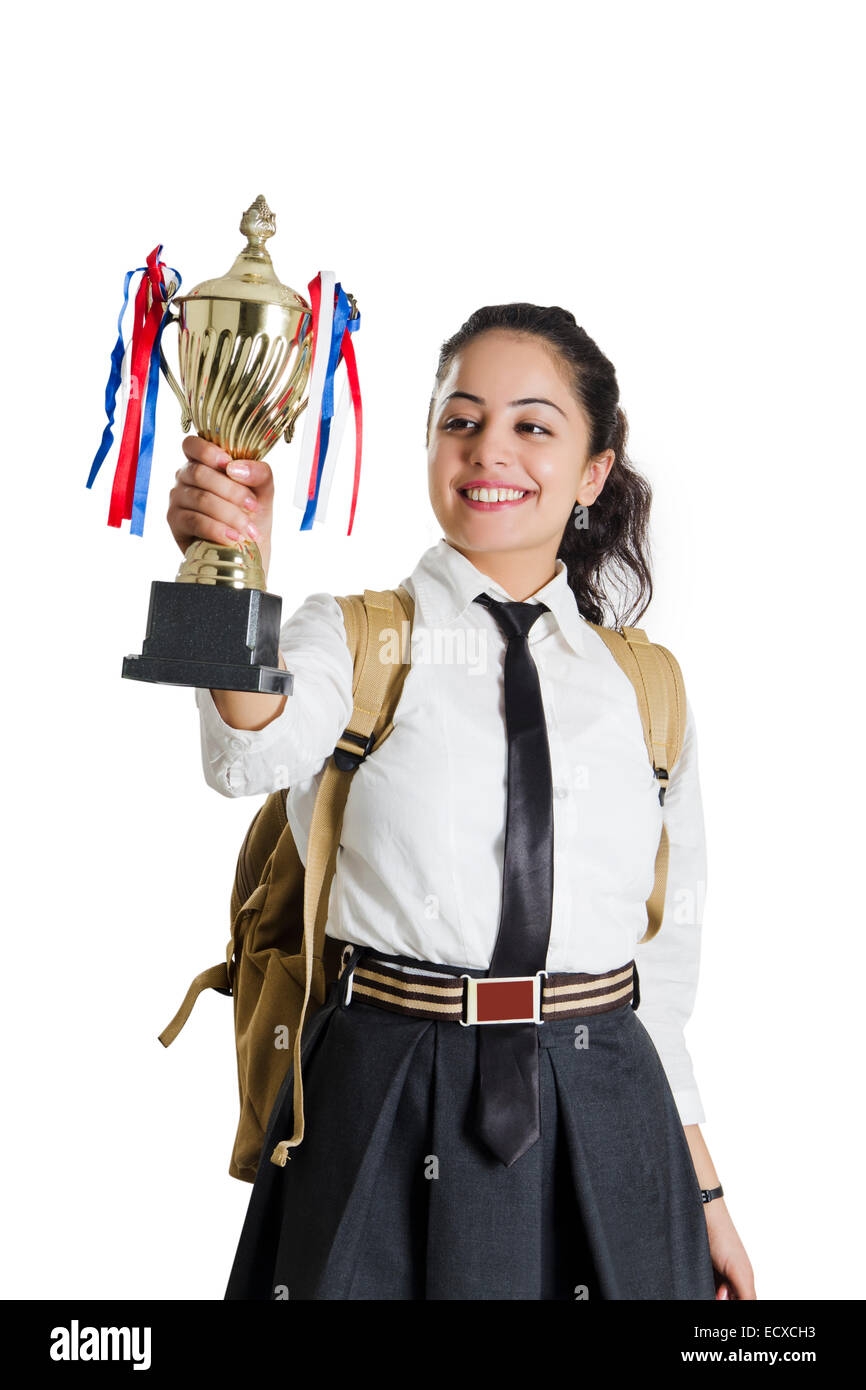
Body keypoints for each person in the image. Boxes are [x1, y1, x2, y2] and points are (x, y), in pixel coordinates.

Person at [167, 302, 756, 1301]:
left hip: (606, 1117)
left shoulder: (645, 688)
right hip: (382, 1096)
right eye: (460, 419)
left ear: (592, 472)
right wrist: (224, 569)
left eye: (532, 425)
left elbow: (661, 979)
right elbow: (242, 755)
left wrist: (705, 1192)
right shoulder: (349, 636)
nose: (490, 449)